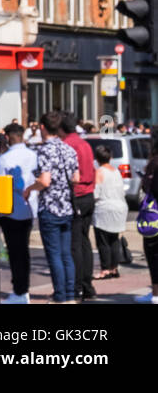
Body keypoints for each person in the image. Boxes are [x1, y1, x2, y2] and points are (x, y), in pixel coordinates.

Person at [25, 111, 81, 303]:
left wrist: (30, 189)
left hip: (50, 206)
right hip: (67, 206)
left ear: (42, 127)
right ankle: (70, 295)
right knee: (66, 255)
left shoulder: (44, 150)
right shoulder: (68, 149)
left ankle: (60, 296)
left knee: (54, 255)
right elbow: (76, 178)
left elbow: (45, 181)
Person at [0, 123, 37, 303]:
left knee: (14, 251)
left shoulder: (4, 159)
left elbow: (0, 185)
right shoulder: (33, 155)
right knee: (24, 250)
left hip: (10, 209)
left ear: (7, 137)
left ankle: (19, 291)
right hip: (29, 208)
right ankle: (24, 289)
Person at [60, 111, 97, 300]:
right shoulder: (84, 144)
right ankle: (87, 286)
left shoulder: (68, 145)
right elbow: (92, 170)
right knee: (84, 241)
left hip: (78, 194)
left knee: (75, 244)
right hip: (88, 194)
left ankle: (77, 286)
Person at [92, 143, 127, 281]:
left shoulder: (99, 172)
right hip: (120, 208)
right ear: (110, 157)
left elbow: (96, 193)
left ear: (97, 159)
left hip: (104, 209)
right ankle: (114, 268)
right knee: (114, 240)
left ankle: (105, 269)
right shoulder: (116, 171)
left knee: (103, 241)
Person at [136, 155, 158, 303]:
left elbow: (152, 188)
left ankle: (155, 294)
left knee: (154, 256)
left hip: (154, 219)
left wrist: (146, 179)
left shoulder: (155, 163)